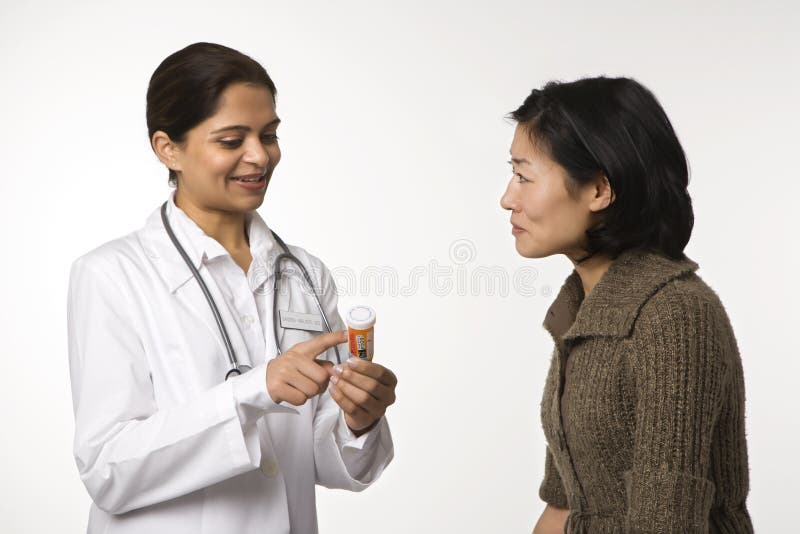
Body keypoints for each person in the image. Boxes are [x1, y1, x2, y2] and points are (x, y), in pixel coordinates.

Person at [67, 42, 397, 534]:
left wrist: (359, 420)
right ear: (168, 149)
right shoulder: (112, 275)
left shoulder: (305, 273)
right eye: (231, 140)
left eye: (269, 135)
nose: (259, 156)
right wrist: (250, 392)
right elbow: (108, 470)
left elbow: (324, 461)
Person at [500, 77, 753, 533]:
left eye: (524, 176)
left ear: (600, 190)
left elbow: (666, 522)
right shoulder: (582, 309)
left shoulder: (675, 315)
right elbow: (563, 507)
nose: (507, 198)